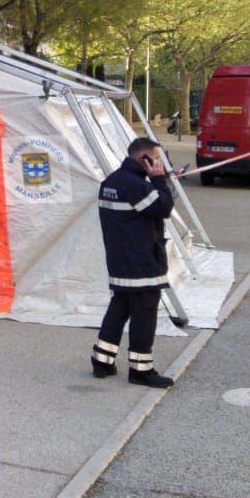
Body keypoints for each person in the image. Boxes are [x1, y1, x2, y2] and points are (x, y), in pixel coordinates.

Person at [91, 137, 176, 389]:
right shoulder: (136, 186)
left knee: (119, 309)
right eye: (156, 159)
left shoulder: (112, 182)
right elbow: (164, 207)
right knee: (144, 315)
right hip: (142, 263)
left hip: (120, 262)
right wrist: (160, 180)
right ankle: (141, 370)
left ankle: (102, 360)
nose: (159, 163)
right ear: (144, 159)